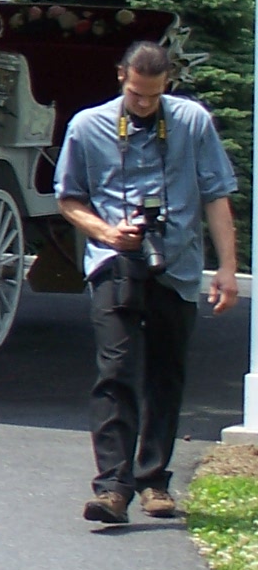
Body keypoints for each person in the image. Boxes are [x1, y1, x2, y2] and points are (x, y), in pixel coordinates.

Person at [56, 41, 238, 525]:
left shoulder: (192, 121)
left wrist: (226, 268)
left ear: (167, 85)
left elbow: (216, 196)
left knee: (166, 372)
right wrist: (107, 232)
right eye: (137, 94)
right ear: (122, 77)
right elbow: (69, 200)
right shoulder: (87, 126)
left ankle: (154, 480)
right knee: (115, 371)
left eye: (154, 96)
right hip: (114, 262)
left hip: (175, 265)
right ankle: (113, 487)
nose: (144, 104)